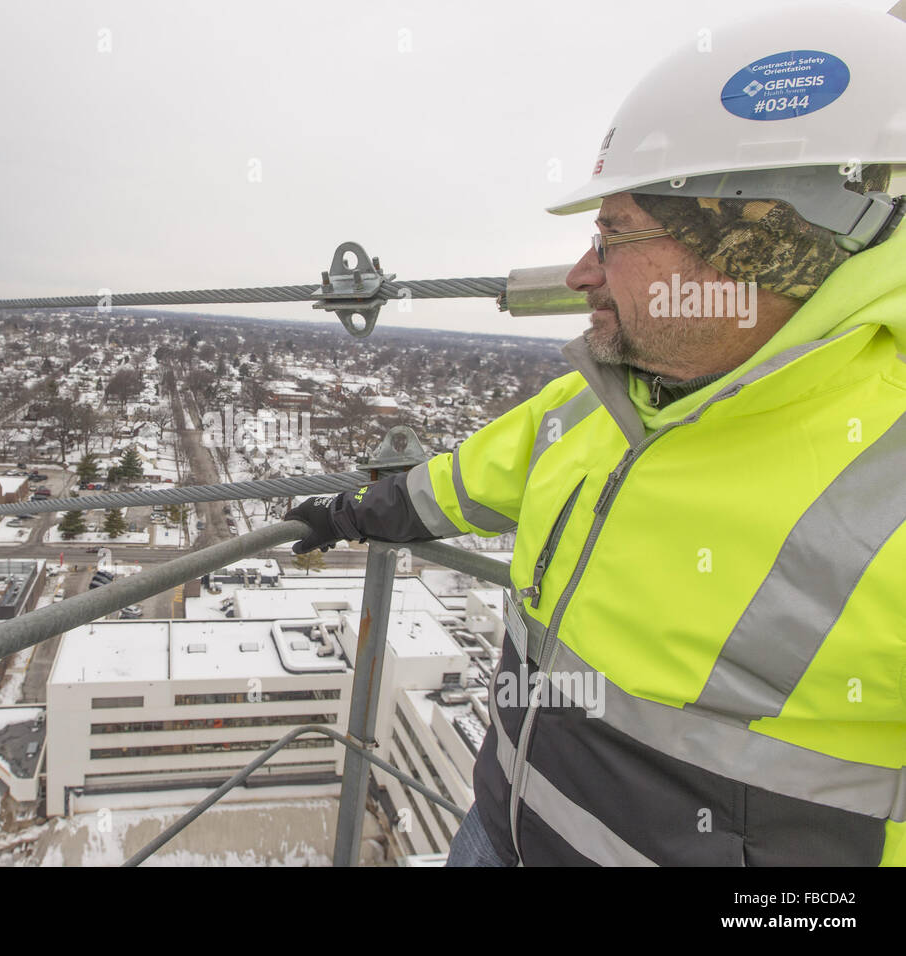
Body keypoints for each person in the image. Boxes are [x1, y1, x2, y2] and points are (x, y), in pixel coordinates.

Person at [287, 5, 906, 866]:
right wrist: (351, 514)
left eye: (612, 234)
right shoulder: (605, 402)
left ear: (751, 247)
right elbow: (466, 481)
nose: (580, 272)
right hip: (495, 831)